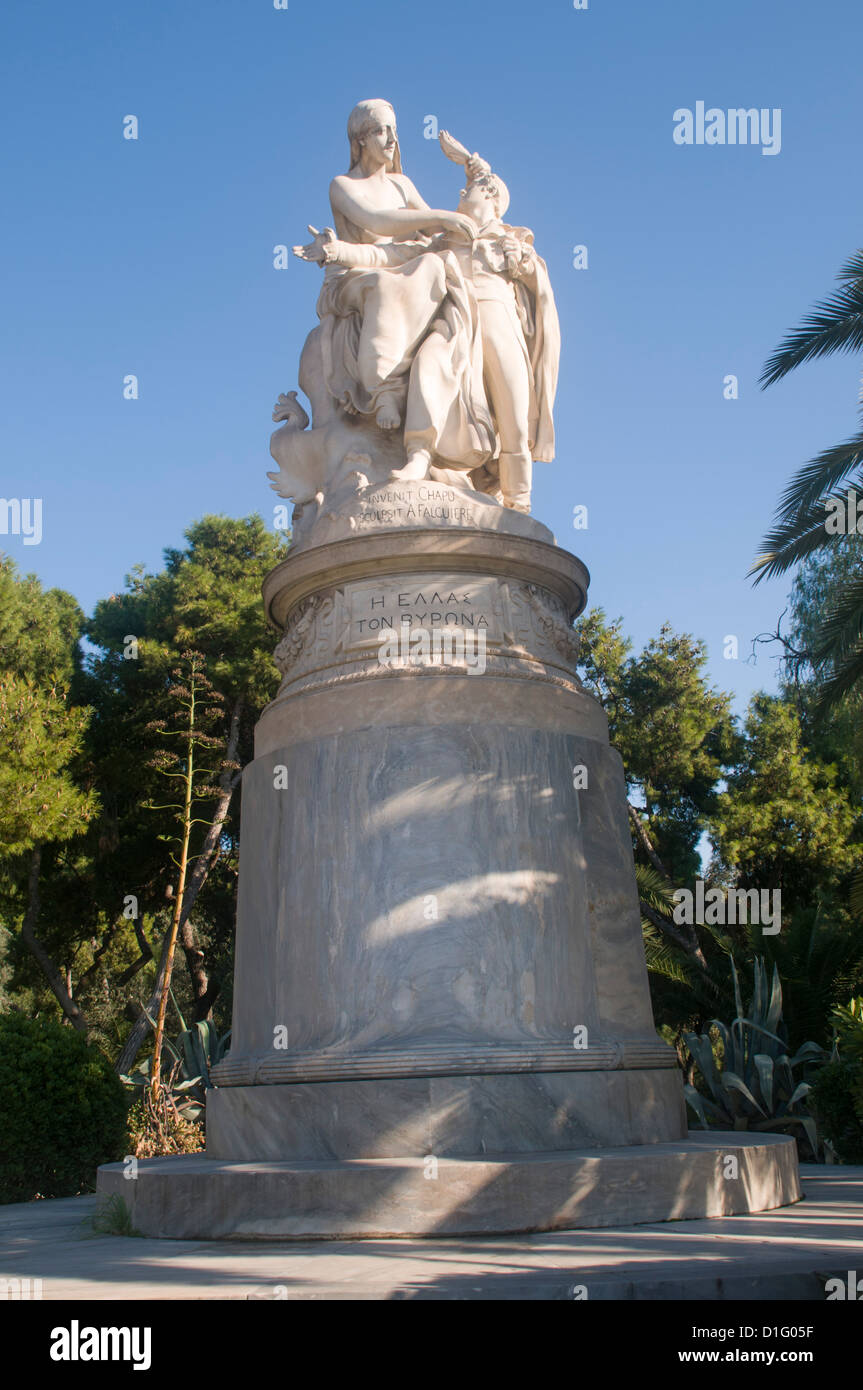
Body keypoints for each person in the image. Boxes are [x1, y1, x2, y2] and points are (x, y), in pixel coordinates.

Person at [295, 149, 560, 512]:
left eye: (469, 191)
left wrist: (523, 262)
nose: (459, 196)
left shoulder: (510, 239)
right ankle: (419, 454)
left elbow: (536, 282)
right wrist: (337, 250)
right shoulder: (442, 240)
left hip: (499, 321)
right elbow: (387, 257)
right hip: (459, 321)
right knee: (429, 361)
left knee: (512, 407)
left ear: (491, 196)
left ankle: (517, 501)